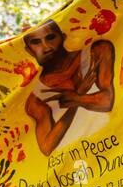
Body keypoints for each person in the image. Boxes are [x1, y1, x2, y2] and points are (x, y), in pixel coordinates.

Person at [23, 19, 115, 155]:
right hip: (76, 166)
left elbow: (107, 101)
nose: (46, 46)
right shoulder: (36, 98)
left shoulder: (96, 52)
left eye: (51, 37)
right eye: (36, 42)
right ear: (29, 50)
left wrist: (77, 98)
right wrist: (77, 98)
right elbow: (47, 147)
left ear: (63, 37)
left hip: (116, 146)